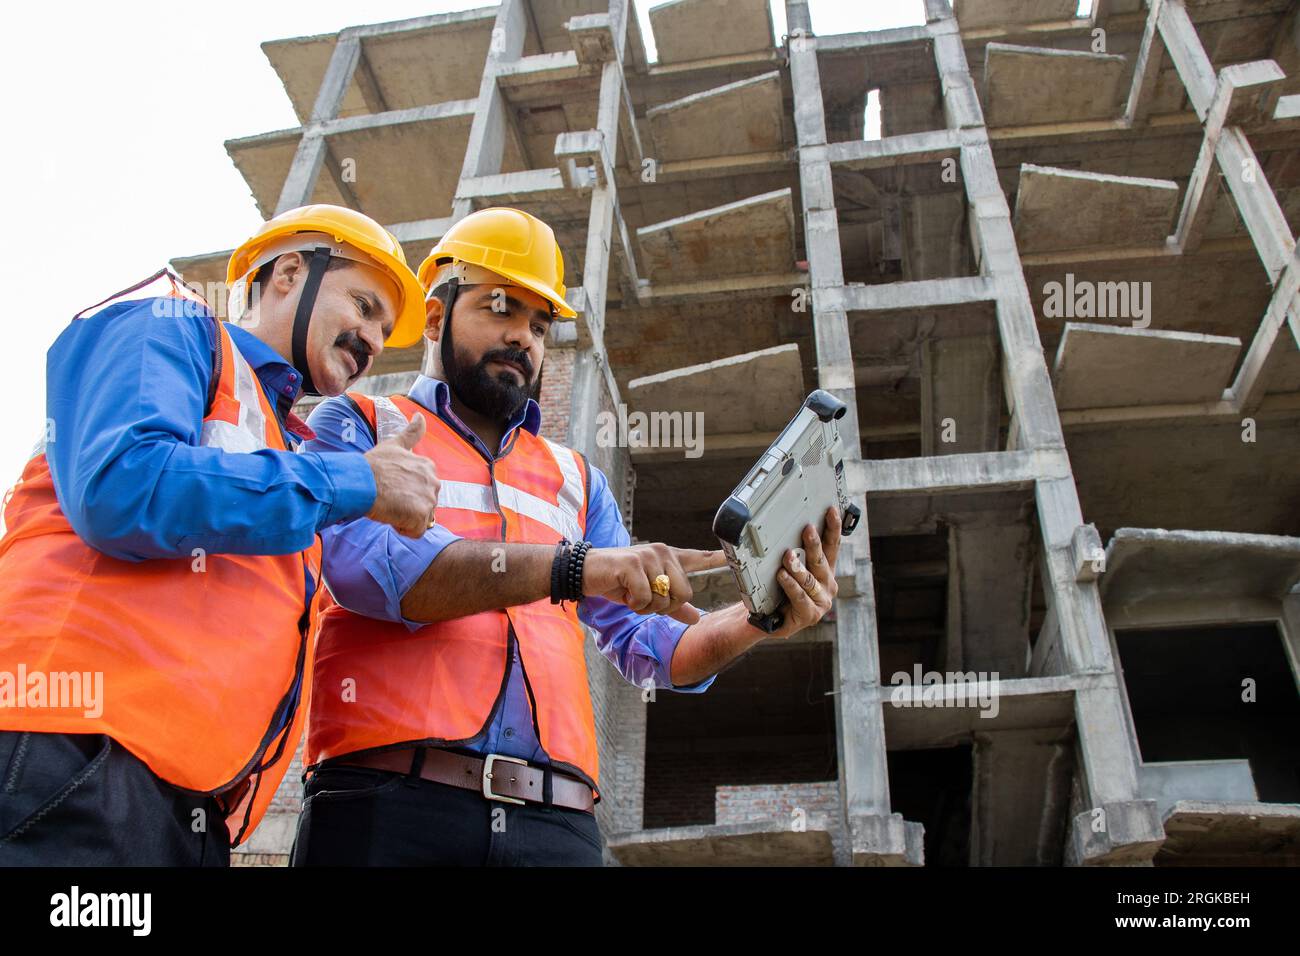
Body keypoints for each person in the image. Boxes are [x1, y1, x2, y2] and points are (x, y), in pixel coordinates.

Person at [292, 207, 842, 866]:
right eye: (501, 308)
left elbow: (650, 644)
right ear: (435, 318)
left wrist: (758, 618)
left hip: (557, 829)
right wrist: (581, 568)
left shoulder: (574, 480)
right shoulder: (357, 424)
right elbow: (379, 577)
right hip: (386, 808)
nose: (523, 336)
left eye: (540, 323)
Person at [0, 204, 440, 865]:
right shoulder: (171, 325)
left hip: (185, 812)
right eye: (364, 304)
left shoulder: (285, 447)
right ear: (291, 271)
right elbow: (124, 485)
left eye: (383, 327)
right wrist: (357, 483)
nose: (374, 339)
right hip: (71, 756)